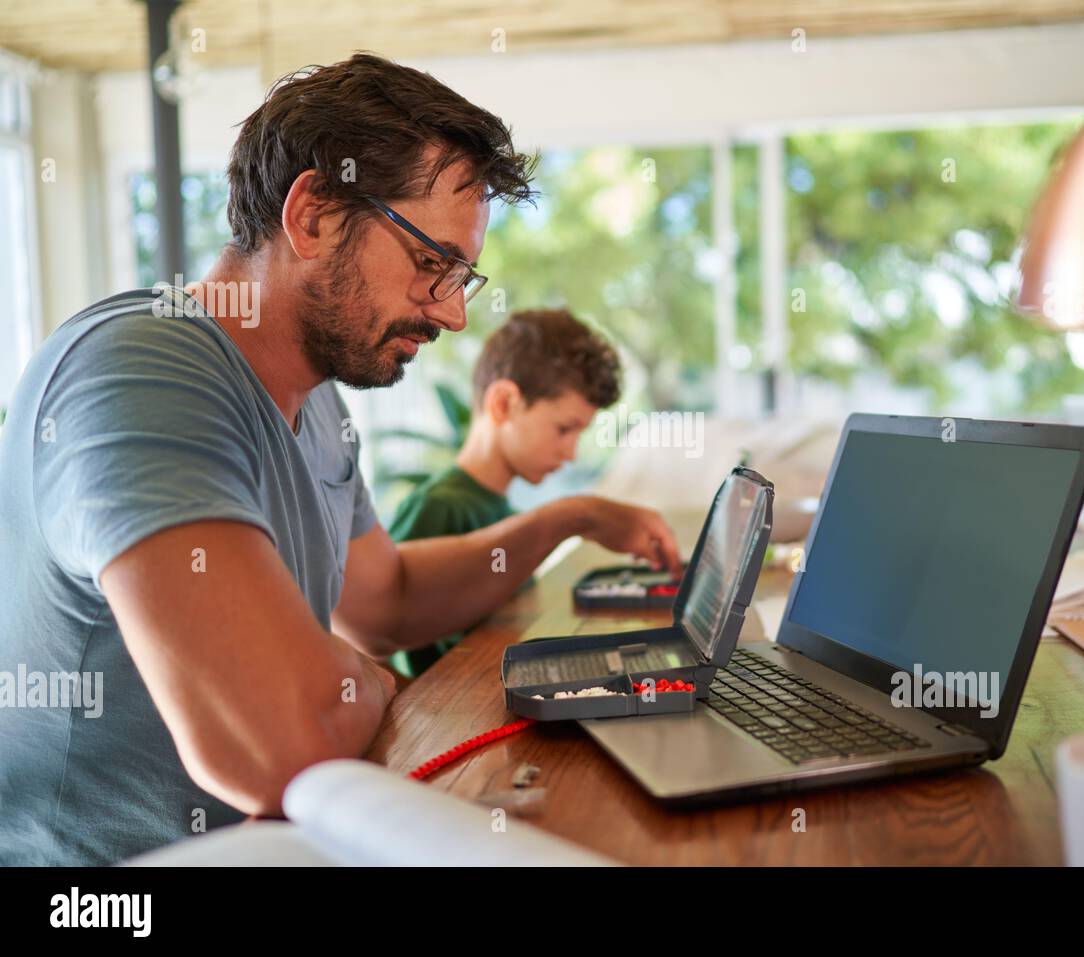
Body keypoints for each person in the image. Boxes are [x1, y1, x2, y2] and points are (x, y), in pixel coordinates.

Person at [0, 53, 680, 866]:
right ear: (315, 214)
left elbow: (385, 600)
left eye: (463, 275)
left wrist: (570, 517)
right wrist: (355, 681)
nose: (455, 315)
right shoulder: (140, 368)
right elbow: (282, 739)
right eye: (434, 264)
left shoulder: (319, 401)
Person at [388, 308, 625, 678]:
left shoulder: (508, 517)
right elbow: (381, 638)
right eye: (564, 429)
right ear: (503, 403)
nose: (571, 453)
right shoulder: (438, 508)